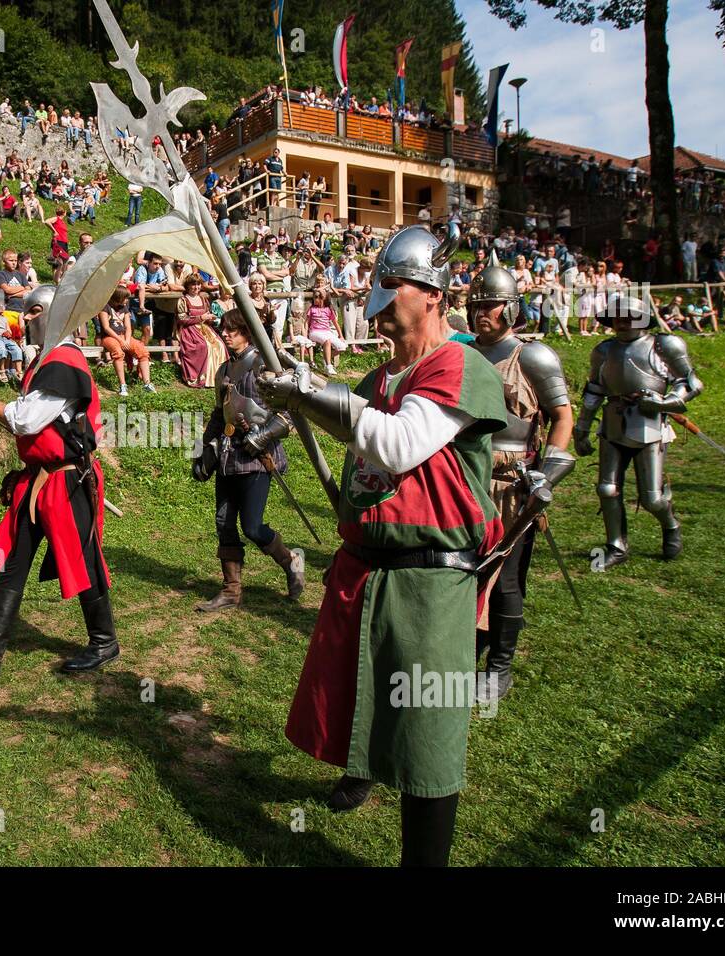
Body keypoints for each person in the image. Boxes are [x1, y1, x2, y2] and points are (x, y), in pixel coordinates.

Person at [257, 224, 508, 866]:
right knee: (361, 696)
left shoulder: (461, 366)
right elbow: (359, 447)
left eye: (394, 287)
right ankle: (361, 772)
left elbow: (398, 444)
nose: (381, 303)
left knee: (428, 732)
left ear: (432, 294)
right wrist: (288, 394)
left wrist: (311, 394)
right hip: (366, 566)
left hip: (430, 579)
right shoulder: (378, 379)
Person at [0, 286, 119, 680]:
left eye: (34, 312)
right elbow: (30, 422)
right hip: (38, 479)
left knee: (83, 560)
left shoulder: (64, 360)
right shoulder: (45, 360)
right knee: (12, 563)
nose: (26, 319)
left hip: (67, 482)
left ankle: (104, 642)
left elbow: (24, 419)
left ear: (51, 315)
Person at [467, 258, 576, 699]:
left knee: (505, 577)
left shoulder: (533, 356)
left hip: (512, 482)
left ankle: (500, 667)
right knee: (465, 569)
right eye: (476, 305)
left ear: (511, 308)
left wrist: (544, 476)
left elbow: (563, 417)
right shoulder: (463, 353)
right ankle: (467, 648)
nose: (482, 313)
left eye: (490, 304)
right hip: (466, 476)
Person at [574, 294, 704, 569]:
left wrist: (664, 402)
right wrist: (582, 427)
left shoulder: (663, 345)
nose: (622, 323)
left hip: (649, 424)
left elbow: (689, 383)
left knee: (652, 498)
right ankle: (616, 545)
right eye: (617, 318)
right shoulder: (604, 350)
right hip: (613, 422)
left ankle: (670, 525)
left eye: (629, 317)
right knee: (607, 488)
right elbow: (595, 390)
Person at [192, 308, 306, 611]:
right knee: (224, 523)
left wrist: (262, 436)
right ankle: (231, 591)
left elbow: (288, 412)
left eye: (232, 330)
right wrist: (202, 451)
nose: (225, 334)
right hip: (227, 457)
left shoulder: (264, 365)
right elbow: (219, 414)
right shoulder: (223, 370)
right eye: (223, 329)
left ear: (246, 331)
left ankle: (292, 561)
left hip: (257, 457)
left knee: (252, 527)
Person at [98, 288, 153, 397]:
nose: (127, 300)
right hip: (109, 337)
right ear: (118, 298)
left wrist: (127, 340)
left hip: (124, 336)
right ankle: (123, 385)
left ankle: (147, 384)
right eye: (125, 298)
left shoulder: (124, 308)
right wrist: (121, 341)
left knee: (142, 352)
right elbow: (106, 328)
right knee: (118, 353)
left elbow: (128, 327)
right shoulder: (105, 307)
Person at [175, 274, 225, 388]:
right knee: (204, 346)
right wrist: (201, 318)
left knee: (220, 345)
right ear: (187, 286)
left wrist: (210, 318)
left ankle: (217, 377)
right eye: (193, 284)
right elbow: (182, 319)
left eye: (198, 284)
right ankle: (201, 378)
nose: (196, 287)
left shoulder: (203, 299)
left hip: (205, 328)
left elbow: (206, 315)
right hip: (189, 330)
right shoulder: (183, 300)